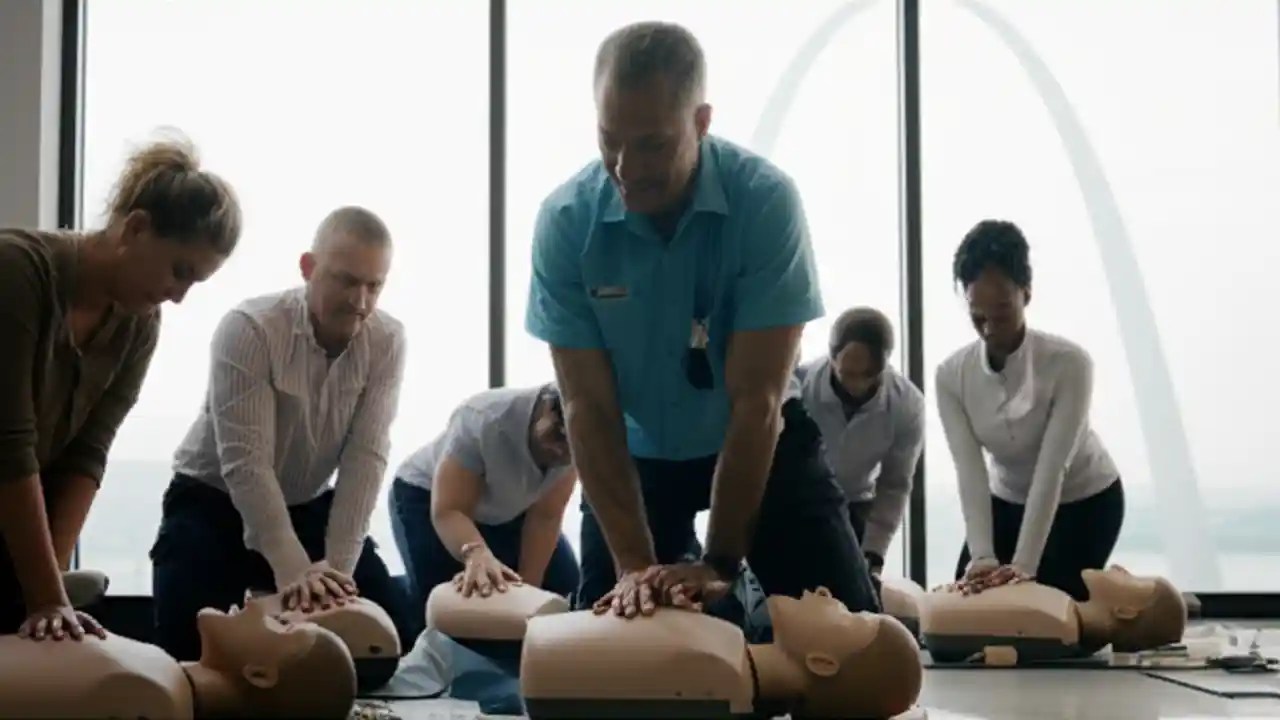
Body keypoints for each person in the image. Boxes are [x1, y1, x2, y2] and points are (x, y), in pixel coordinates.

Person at [524, 20, 880, 619]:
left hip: (759, 441)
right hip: (635, 456)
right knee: (619, 645)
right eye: (609, 139)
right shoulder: (565, 221)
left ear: (701, 122)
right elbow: (588, 410)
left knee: (853, 647)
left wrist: (720, 563)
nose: (626, 168)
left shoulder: (766, 203)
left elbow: (758, 403)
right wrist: (636, 569)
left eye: (652, 145)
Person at [0, 135, 241, 640]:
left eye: (195, 283)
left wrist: (47, 600)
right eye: (180, 271)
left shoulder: (138, 325)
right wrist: (43, 596)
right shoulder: (17, 272)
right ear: (136, 227)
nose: (178, 297)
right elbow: (9, 448)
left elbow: (87, 456)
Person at [150, 206, 414, 661]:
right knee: (188, 650)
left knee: (389, 639)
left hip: (309, 505)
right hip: (213, 502)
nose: (362, 301)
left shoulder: (388, 340)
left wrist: (335, 579)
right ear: (308, 268)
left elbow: (366, 458)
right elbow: (245, 464)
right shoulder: (249, 328)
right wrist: (295, 574)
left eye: (375, 286)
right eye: (347, 281)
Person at [936, 219, 1124, 602]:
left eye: (1002, 311)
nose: (989, 328)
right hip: (1005, 501)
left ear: (1027, 293)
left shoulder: (1070, 364)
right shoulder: (952, 375)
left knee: (1046, 617)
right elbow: (970, 472)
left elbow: (1052, 467)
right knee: (968, 606)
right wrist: (984, 556)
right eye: (977, 315)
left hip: (1085, 502)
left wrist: (1023, 566)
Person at [388, 383, 580, 613]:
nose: (562, 451)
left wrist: (529, 595)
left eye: (573, 448)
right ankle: (397, 592)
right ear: (549, 407)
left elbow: (545, 517)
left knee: (563, 591)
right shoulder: (485, 418)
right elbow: (451, 510)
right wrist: (475, 552)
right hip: (429, 498)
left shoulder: (581, 444)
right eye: (559, 436)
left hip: (508, 509)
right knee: (447, 604)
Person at [795, 307, 924, 579]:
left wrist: (874, 552)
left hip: (857, 505)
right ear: (832, 358)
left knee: (857, 594)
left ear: (883, 366)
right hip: (800, 502)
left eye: (864, 376)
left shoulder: (907, 405)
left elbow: (894, 484)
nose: (853, 385)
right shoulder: (800, 385)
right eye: (845, 373)